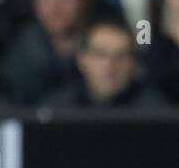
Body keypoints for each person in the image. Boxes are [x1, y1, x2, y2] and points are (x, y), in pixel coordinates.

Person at [41, 17, 171, 111]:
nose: (110, 66)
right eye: (100, 55)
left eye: (121, 56)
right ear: (81, 59)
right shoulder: (54, 110)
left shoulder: (158, 113)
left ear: (134, 64)